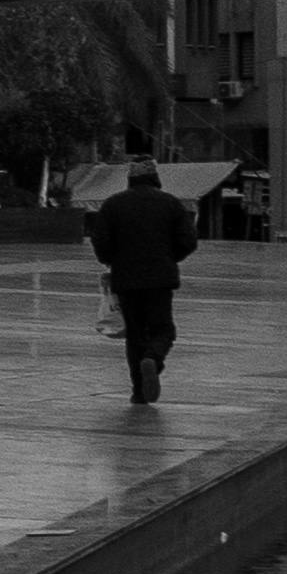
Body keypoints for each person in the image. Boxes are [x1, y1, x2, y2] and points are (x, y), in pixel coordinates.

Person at [91, 152, 194, 404]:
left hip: (126, 280)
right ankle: (153, 358)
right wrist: (170, 257)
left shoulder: (113, 205)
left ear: (131, 178)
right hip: (160, 279)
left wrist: (112, 260)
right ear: (155, 176)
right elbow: (188, 241)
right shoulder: (171, 204)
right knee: (163, 329)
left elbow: (101, 241)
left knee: (135, 335)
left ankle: (139, 392)